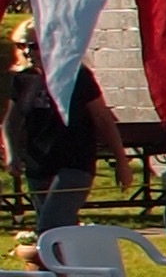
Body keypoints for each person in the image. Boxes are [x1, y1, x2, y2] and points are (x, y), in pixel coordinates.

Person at [5, 36, 108, 233]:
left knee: (50, 227)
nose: (28, 52)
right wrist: (12, 153)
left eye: (34, 46)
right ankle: (69, 262)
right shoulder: (23, 80)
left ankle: (50, 263)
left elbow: (103, 119)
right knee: (59, 227)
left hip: (75, 162)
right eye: (22, 46)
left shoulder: (78, 76)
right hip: (38, 163)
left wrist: (121, 162)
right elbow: (11, 121)